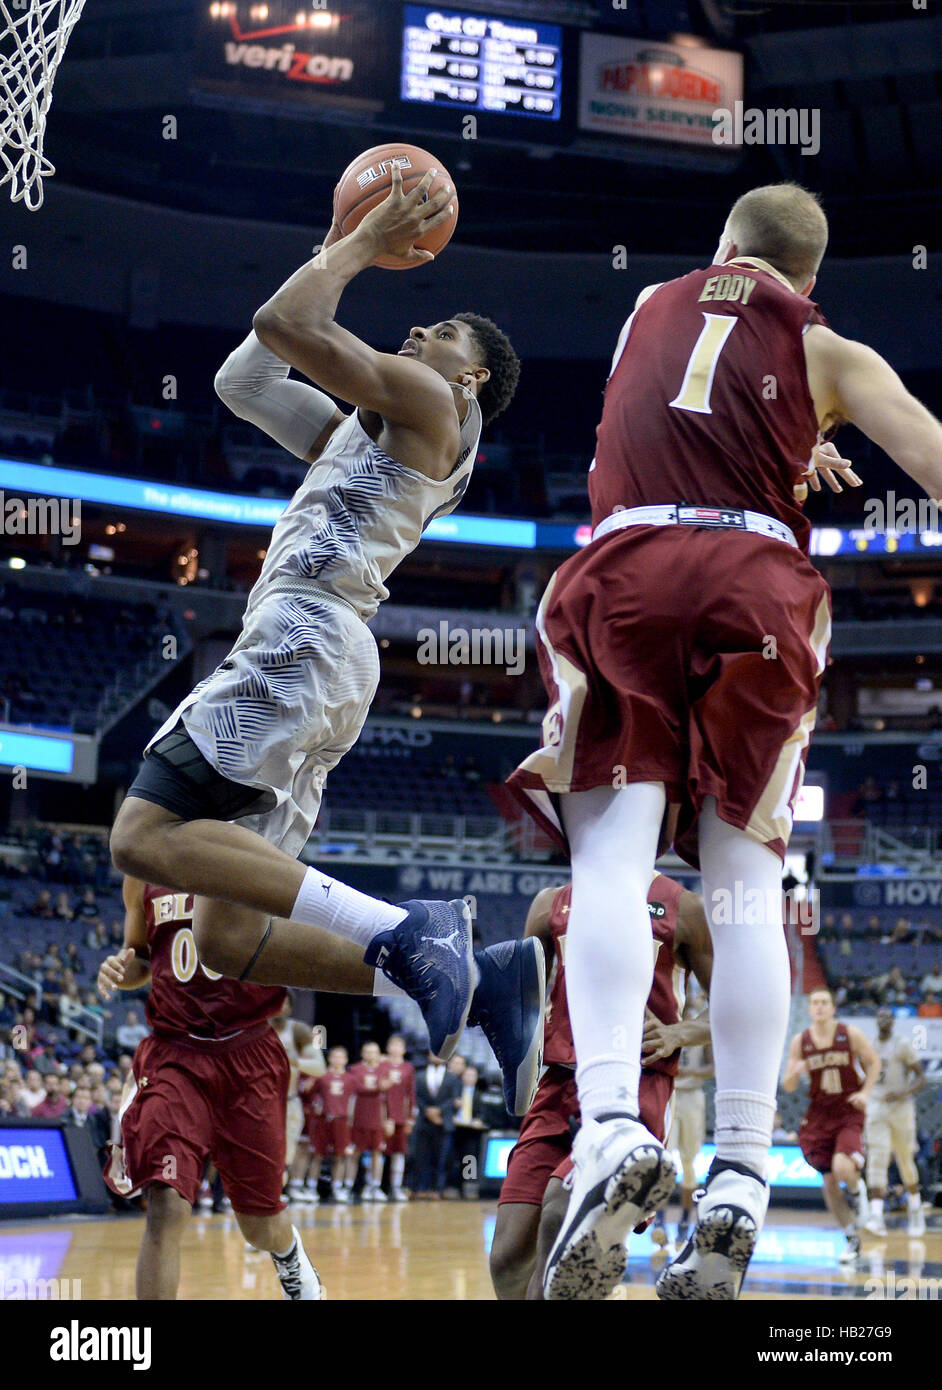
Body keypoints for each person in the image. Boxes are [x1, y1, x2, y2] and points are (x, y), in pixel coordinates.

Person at [506, 181, 942, 1300]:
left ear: (724, 247)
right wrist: (814, 422)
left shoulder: (648, 300)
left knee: (612, 859)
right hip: (758, 580)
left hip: (633, 561)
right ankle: (743, 1173)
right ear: (811, 283)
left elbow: (682, 409)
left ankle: (610, 1128)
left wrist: (787, 436)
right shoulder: (829, 347)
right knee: (748, 885)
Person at [107, 166, 538, 1109]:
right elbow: (246, 374)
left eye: (441, 333)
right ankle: (488, 973)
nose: (416, 327)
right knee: (227, 939)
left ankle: (411, 929)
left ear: (468, 378)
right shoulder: (371, 432)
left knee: (141, 838)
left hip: (304, 636)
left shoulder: (434, 408)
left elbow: (289, 327)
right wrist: (340, 238)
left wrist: (359, 241)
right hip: (320, 652)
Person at [97, 876, 323, 1300]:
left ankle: (289, 1253)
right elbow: (141, 960)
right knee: (164, 1206)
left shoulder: (254, 849)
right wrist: (118, 968)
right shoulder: (144, 866)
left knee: (259, 1226)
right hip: (175, 1054)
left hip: (248, 1053)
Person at [490, 876, 712, 1301]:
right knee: (506, 1257)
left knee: (560, 1211)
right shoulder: (549, 903)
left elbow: (733, 1006)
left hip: (637, 1085)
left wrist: (679, 1033)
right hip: (558, 1083)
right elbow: (524, 996)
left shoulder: (682, 906)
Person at [783, 987, 881, 1264]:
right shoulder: (800, 1041)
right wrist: (794, 1071)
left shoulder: (849, 1034)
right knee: (828, 1183)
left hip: (847, 1110)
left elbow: (874, 1062)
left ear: (833, 1008)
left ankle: (857, 1190)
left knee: (842, 1167)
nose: (819, 1007)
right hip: (819, 1116)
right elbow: (789, 1086)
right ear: (809, 1009)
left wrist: (865, 1093)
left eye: (824, 1002)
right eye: (815, 1003)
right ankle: (850, 1238)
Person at [654, 989, 713, 1253]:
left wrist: (687, 1070)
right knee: (664, 1159)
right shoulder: (665, 1016)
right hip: (669, 1092)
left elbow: (713, 1068)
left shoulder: (703, 1025)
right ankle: (658, 1220)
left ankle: (686, 1222)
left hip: (691, 1096)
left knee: (688, 1163)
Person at [862, 1007, 926, 1238]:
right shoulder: (869, 1046)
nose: (884, 1020)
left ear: (893, 1022)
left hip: (901, 1107)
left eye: (888, 1017)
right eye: (880, 1017)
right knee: (877, 1158)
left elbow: (921, 1077)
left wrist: (902, 1093)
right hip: (877, 1106)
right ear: (876, 1021)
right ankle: (876, 1217)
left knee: (904, 1159)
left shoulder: (903, 1044)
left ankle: (916, 1206)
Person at [272, 998, 325, 1207]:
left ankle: (274, 1198)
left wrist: (292, 1060)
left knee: (284, 1157)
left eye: (285, 1002)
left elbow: (319, 1068)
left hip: (288, 1102)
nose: (279, 1006)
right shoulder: (254, 1026)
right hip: (258, 1103)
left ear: (291, 1007)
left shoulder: (299, 1030)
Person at [308, 1046, 356, 1203]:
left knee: (340, 1156)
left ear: (346, 1060)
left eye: (341, 1057)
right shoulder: (323, 1077)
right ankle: (311, 1187)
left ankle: (337, 1187)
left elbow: (353, 1100)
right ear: (330, 1059)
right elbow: (313, 1095)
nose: (337, 1060)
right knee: (318, 1155)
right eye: (335, 1056)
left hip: (342, 1120)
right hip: (324, 1119)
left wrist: (351, 1118)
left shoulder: (350, 1079)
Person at [411, 1052, 462, 1199]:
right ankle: (420, 1187)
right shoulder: (419, 1075)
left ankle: (436, 1189)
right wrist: (427, 1111)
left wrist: (439, 1111)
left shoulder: (452, 1077)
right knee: (421, 1156)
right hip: (423, 1121)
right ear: (428, 1055)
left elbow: (454, 1098)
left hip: (443, 1122)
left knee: (441, 1158)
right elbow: (416, 1096)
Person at [377, 1034, 416, 1202]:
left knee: (399, 1153)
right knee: (379, 1152)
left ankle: (396, 1187)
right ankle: (375, 1186)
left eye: (399, 1045)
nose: (395, 1048)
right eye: (392, 1045)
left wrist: (410, 1117)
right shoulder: (381, 1066)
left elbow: (411, 1094)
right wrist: (385, 1117)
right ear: (388, 1048)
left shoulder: (408, 1068)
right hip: (384, 1116)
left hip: (401, 1116)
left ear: (404, 1049)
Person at [349, 1040, 387, 1202]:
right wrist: (378, 1087)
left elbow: (388, 1095)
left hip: (377, 1117)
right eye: (368, 1051)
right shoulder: (354, 1070)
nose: (371, 1055)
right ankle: (349, 1186)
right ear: (363, 1053)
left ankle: (374, 1186)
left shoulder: (384, 1070)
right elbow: (355, 1090)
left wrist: (388, 1119)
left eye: (374, 1052)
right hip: (358, 1117)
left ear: (379, 1054)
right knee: (355, 1153)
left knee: (377, 1152)